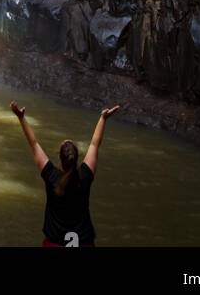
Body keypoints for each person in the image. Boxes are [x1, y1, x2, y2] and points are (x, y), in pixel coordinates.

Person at [10, 100, 121, 247]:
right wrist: (103, 119)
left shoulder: (51, 176)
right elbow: (95, 144)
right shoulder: (85, 176)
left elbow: (34, 143)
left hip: (54, 243)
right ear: (76, 159)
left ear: (60, 160)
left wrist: (21, 118)